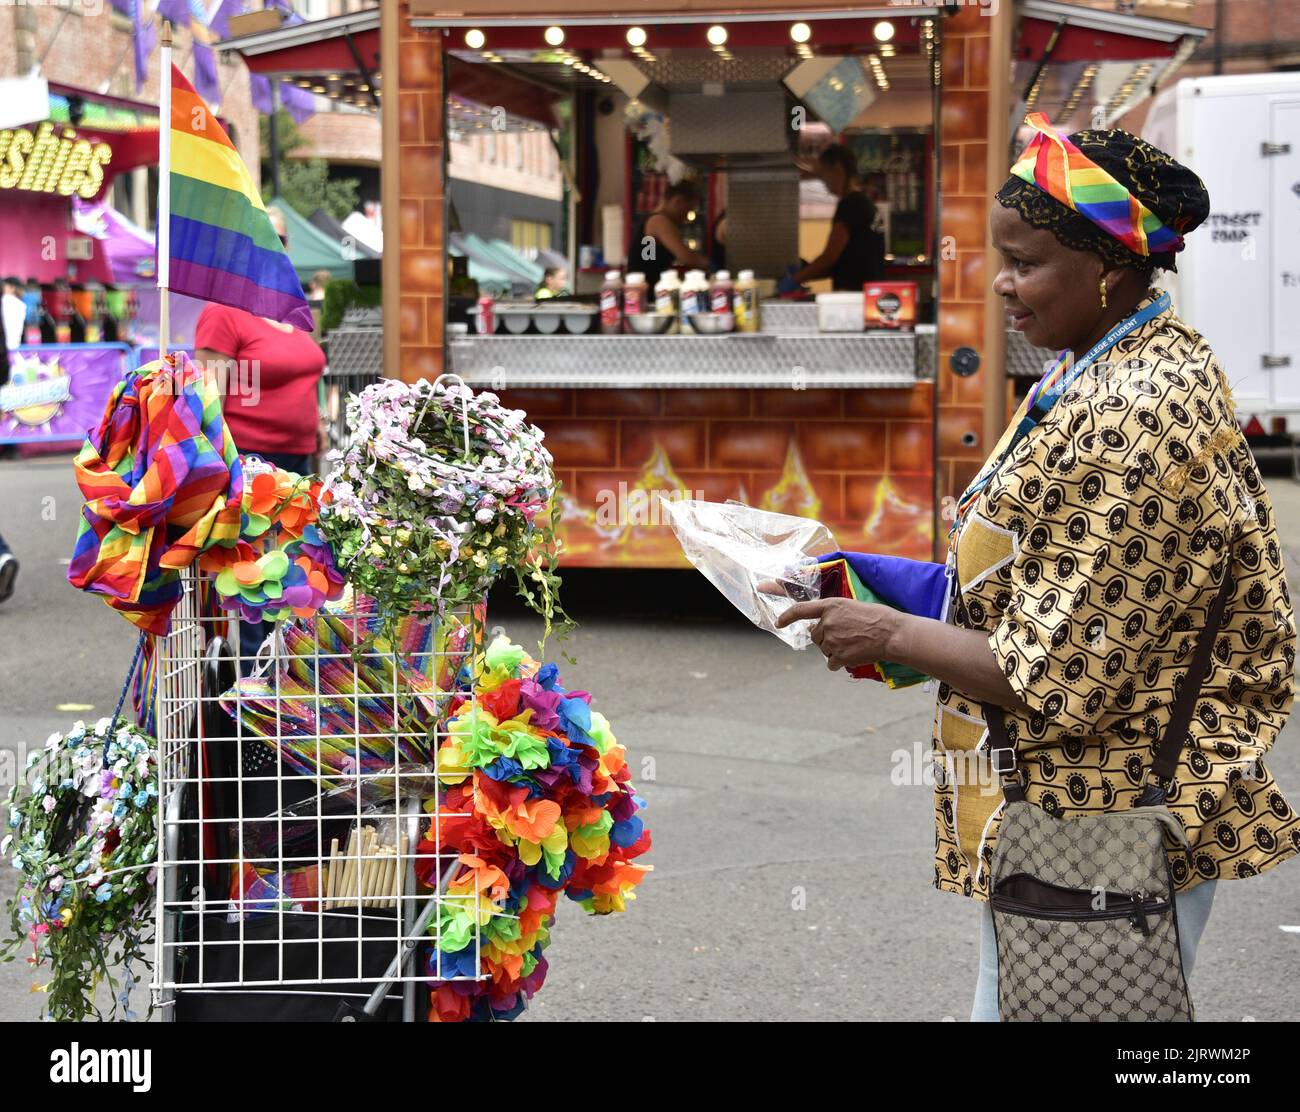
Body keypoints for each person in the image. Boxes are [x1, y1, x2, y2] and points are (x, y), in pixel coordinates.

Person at [772, 120, 1297, 1021]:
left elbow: (1057, 679)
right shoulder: (1097, 364)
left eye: (1026, 263)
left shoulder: (1134, 414)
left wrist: (891, 633)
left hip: (1113, 811)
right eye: (998, 259)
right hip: (1069, 809)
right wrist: (861, 581)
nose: (1001, 286)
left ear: (1113, 265)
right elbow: (1034, 569)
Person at [193, 205, 327, 667]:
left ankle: (293, 690)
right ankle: (255, 703)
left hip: (300, 461)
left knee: (298, 579)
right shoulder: (223, 312)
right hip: (250, 464)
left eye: (282, 240)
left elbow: (307, 375)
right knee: (257, 584)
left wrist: (320, 429)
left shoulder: (292, 308)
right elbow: (207, 399)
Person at [790, 144, 885, 291]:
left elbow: (829, 258)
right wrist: (804, 273)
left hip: (852, 297)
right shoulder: (866, 205)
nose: (824, 182)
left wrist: (793, 281)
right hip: (869, 294)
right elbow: (842, 263)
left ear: (837, 168)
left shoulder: (850, 205)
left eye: (824, 175)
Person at [628, 180, 711, 291]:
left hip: (645, 287)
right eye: (687, 210)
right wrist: (713, 266)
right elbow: (687, 257)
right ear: (677, 201)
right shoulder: (659, 221)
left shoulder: (652, 219)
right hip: (647, 291)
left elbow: (650, 258)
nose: (686, 217)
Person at [1, 276, 25, 357]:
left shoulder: (4, 301)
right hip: (15, 346)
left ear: (12, 288)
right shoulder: (21, 305)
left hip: (4, 346)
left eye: (4, 285)